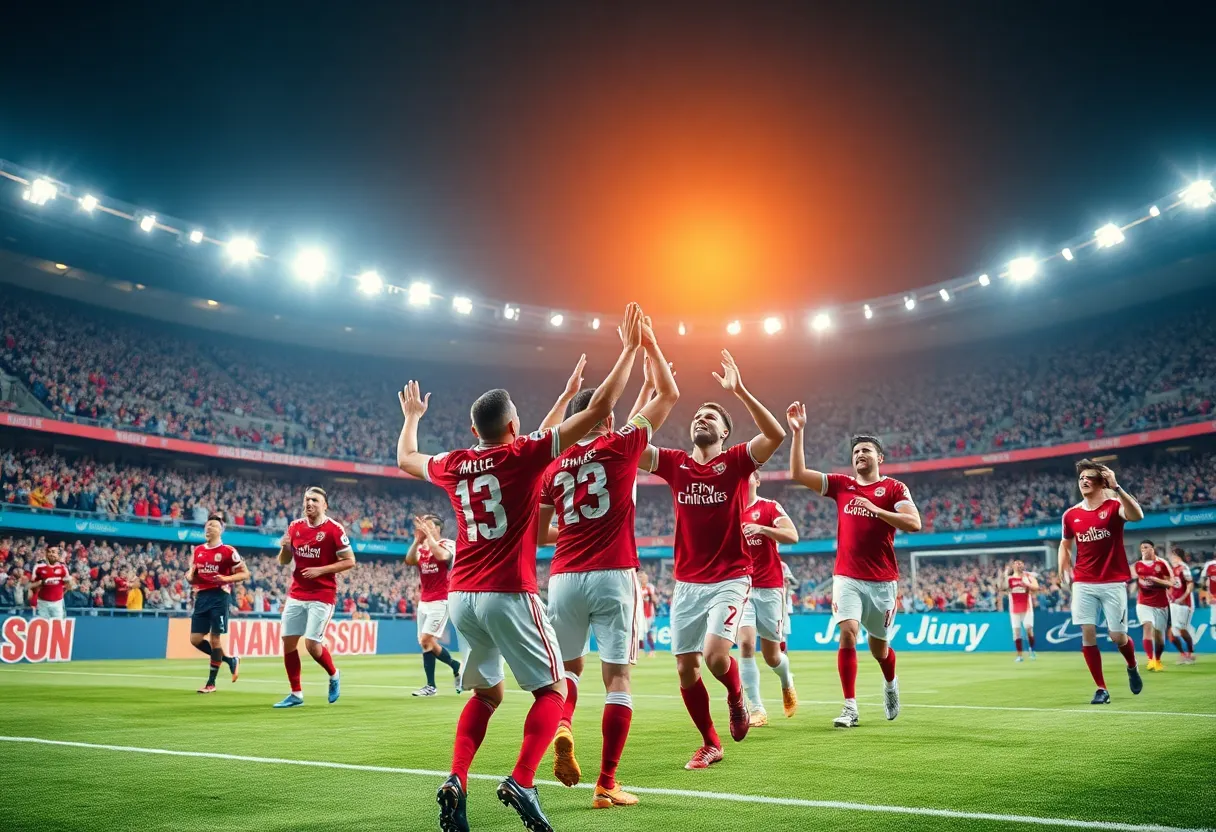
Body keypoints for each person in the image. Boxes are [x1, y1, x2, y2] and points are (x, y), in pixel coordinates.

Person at [397, 303, 643, 832]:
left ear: (472, 427)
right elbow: (596, 409)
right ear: (514, 425)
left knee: (488, 694)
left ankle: (457, 779)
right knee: (556, 690)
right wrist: (629, 349)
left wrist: (413, 418)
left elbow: (406, 459)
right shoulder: (524, 455)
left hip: (461, 596)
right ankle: (523, 780)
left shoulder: (455, 462)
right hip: (510, 591)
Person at [534, 315, 678, 809]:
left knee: (568, 670)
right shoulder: (621, 446)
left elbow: (536, 532)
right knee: (617, 677)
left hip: (563, 576)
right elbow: (667, 395)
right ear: (608, 420)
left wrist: (572, 530)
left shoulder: (551, 466)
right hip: (614, 571)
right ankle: (606, 783)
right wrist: (648, 346)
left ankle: (565, 725)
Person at [639, 349, 786, 770]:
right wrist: (651, 388)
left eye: (710, 417)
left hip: (730, 577)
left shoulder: (736, 461)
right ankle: (710, 742)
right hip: (686, 582)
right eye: (697, 416)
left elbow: (775, 434)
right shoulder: (675, 463)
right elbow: (630, 444)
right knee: (686, 668)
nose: (701, 419)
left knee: (717, 657)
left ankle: (737, 699)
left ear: (725, 432)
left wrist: (739, 390)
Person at [787, 403, 921, 728]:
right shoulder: (841, 485)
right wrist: (798, 431)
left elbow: (914, 523)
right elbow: (798, 474)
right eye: (856, 451)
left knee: (880, 649)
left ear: (880, 458)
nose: (859, 454)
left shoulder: (893, 489)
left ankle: (890, 684)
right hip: (846, 576)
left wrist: (877, 510)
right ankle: (850, 707)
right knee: (847, 634)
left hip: (883, 580)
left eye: (866, 450)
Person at [1059, 459, 1145, 704]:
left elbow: (1137, 516)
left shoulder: (1114, 505)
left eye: (1089, 477)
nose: (1084, 481)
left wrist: (1117, 487)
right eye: (1081, 478)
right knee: (1088, 632)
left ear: (1101, 482)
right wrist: (1062, 564)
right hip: (1083, 581)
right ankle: (1101, 688)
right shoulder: (1071, 514)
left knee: (1117, 636)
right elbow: (1065, 544)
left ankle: (1132, 665)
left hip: (1113, 580)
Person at [272, 487, 356, 708]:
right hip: (297, 593)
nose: (309, 503)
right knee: (288, 643)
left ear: (324, 505)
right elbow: (283, 561)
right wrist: (285, 548)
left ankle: (334, 674)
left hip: (322, 594)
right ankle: (296, 694)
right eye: (307, 499)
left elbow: (350, 561)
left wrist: (321, 571)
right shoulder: (295, 527)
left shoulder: (334, 529)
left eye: (315, 500)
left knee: (312, 644)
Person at [737, 471, 799, 726]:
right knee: (746, 644)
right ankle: (757, 708)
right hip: (741, 587)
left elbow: (792, 536)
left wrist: (763, 528)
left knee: (772, 656)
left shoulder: (769, 507)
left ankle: (787, 681)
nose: (744, 480)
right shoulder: (729, 510)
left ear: (757, 481)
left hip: (770, 588)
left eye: (749, 476)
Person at [185, 514, 248, 693]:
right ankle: (230, 660)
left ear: (220, 530)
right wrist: (190, 576)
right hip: (201, 597)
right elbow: (191, 576)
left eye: (213, 525)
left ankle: (211, 683)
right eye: (207, 525)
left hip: (219, 597)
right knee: (195, 639)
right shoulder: (197, 551)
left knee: (215, 639)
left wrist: (226, 579)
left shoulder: (228, 551)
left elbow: (245, 574)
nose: (208, 528)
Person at [405, 513, 463, 696]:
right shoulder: (421, 547)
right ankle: (456, 666)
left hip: (441, 600)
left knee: (425, 640)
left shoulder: (447, 544)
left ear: (437, 528)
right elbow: (410, 560)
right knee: (426, 643)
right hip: (424, 601)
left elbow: (442, 556)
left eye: (427, 525)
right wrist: (416, 541)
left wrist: (428, 538)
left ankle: (431, 686)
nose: (423, 528)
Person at [1133, 540, 1172, 673]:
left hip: (1161, 604)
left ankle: (1158, 660)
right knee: (1147, 627)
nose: (1143, 550)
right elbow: (1132, 577)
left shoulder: (1161, 564)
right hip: (1143, 602)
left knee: (1159, 636)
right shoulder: (1138, 565)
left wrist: (1156, 580)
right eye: (1142, 548)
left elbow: (1170, 583)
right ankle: (1150, 660)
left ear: (1152, 549)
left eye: (1146, 547)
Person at [1002, 560, 1039, 662]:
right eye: (1016, 564)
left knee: (1028, 629)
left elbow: (1036, 587)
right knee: (1016, 632)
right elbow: (1002, 588)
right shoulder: (1009, 578)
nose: (1019, 565)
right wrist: (1004, 575)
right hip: (1014, 608)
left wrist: (1028, 585)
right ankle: (1019, 655)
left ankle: (1032, 650)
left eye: (1021, 564)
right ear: (1013, 566)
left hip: (1027, 607)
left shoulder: (1027, 576)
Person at [1166, 547, 1196, 664]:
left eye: (1172, 555)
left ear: (1176, 555)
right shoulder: (1172, 569)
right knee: (1171, 633)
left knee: (1182, 630)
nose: (1170, 557)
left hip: (1185, 604)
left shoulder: (1184, 567)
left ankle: (1189, 654)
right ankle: (1183, 655)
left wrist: (1182, 598)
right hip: (1173, 604)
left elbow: (1190, 584)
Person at [30, 546, 72, 620]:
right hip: (42, 603)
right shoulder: (38, 567)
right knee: (44, 627)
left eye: (53, 552)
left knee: (58, 626)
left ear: (58, 555)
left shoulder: (63, 568)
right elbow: (31, 585)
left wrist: (60, 594)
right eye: (49, 552)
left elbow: (68, 586)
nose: (51, 554)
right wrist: (41, 583)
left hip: (58, 603)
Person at [638, 572, 658, 657]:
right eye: (641, 577)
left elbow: (655, 600)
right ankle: (640, 649)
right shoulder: (636, 587)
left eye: (644, 578)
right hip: (638, 614)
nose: (643, 579)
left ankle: (652, 650)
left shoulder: (650, 587)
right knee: (639, 632)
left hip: (648, 614)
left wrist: (650, 595)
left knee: (649, 632)